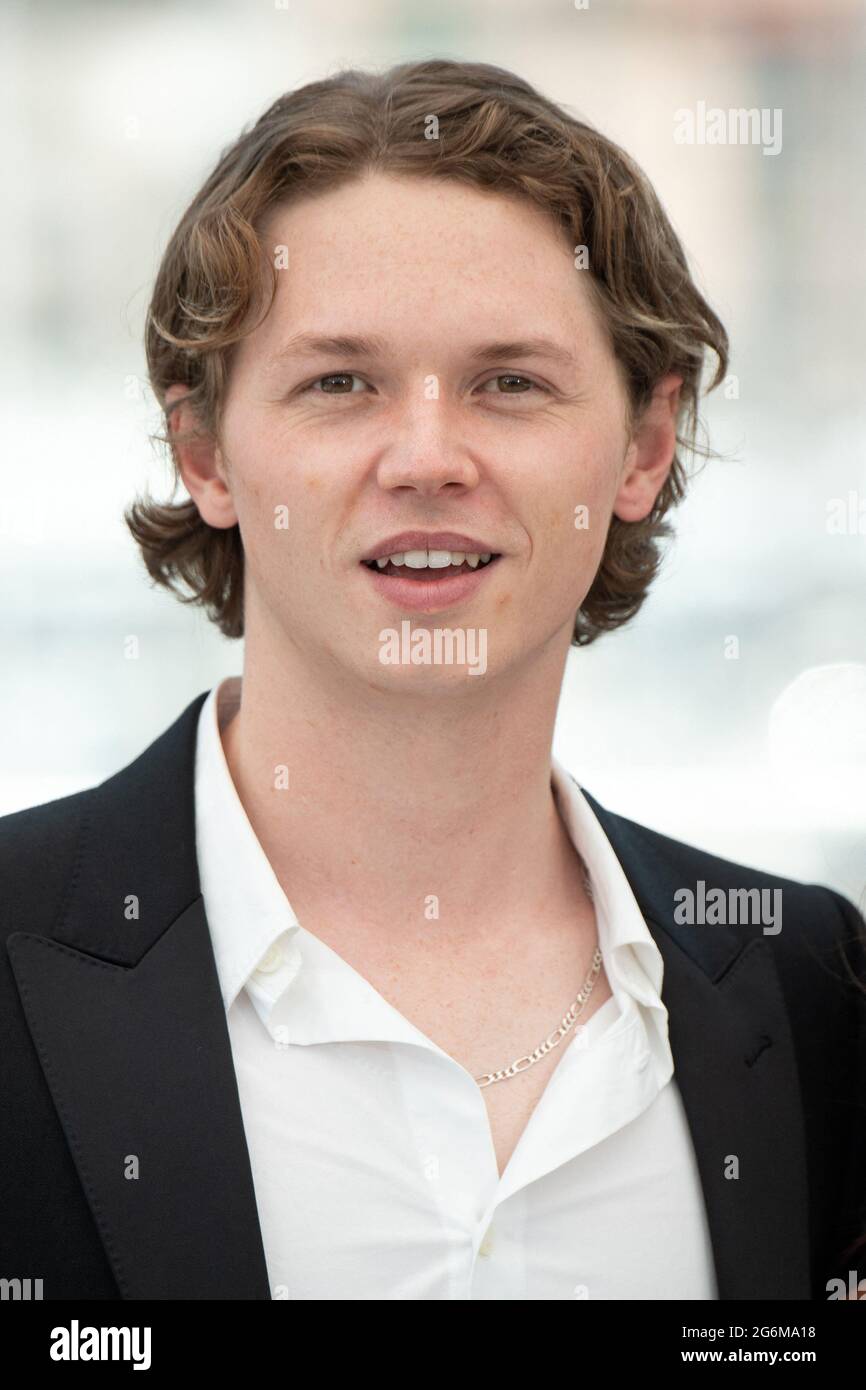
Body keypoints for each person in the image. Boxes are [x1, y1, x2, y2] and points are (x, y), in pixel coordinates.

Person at [2, 59, 864, 1302]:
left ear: (642, 446)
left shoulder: (807, 983)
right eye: (339, 381)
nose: (425, 457)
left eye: (507, 381)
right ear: (203, 451)